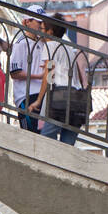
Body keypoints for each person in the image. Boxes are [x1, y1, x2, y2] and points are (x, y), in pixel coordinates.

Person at [29, 14, 89, 145]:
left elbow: (48, 75)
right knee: (68, 143)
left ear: (50, 31)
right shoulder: (68, 47)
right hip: (77, 99)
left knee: (46, 138)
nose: (41, 32)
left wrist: (38, 101)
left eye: (43, 29)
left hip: (60, 98)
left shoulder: (50, 46)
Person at [6, 6, 46, 130]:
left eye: (42, 22)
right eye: (38, 22)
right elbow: (14, 72)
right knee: (30, 132)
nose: (41, 25)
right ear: (27, 22)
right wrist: (39, 76)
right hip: (26, 96)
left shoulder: (43, 43)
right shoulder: (20, 44)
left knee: (43, 135)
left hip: (41, 95)